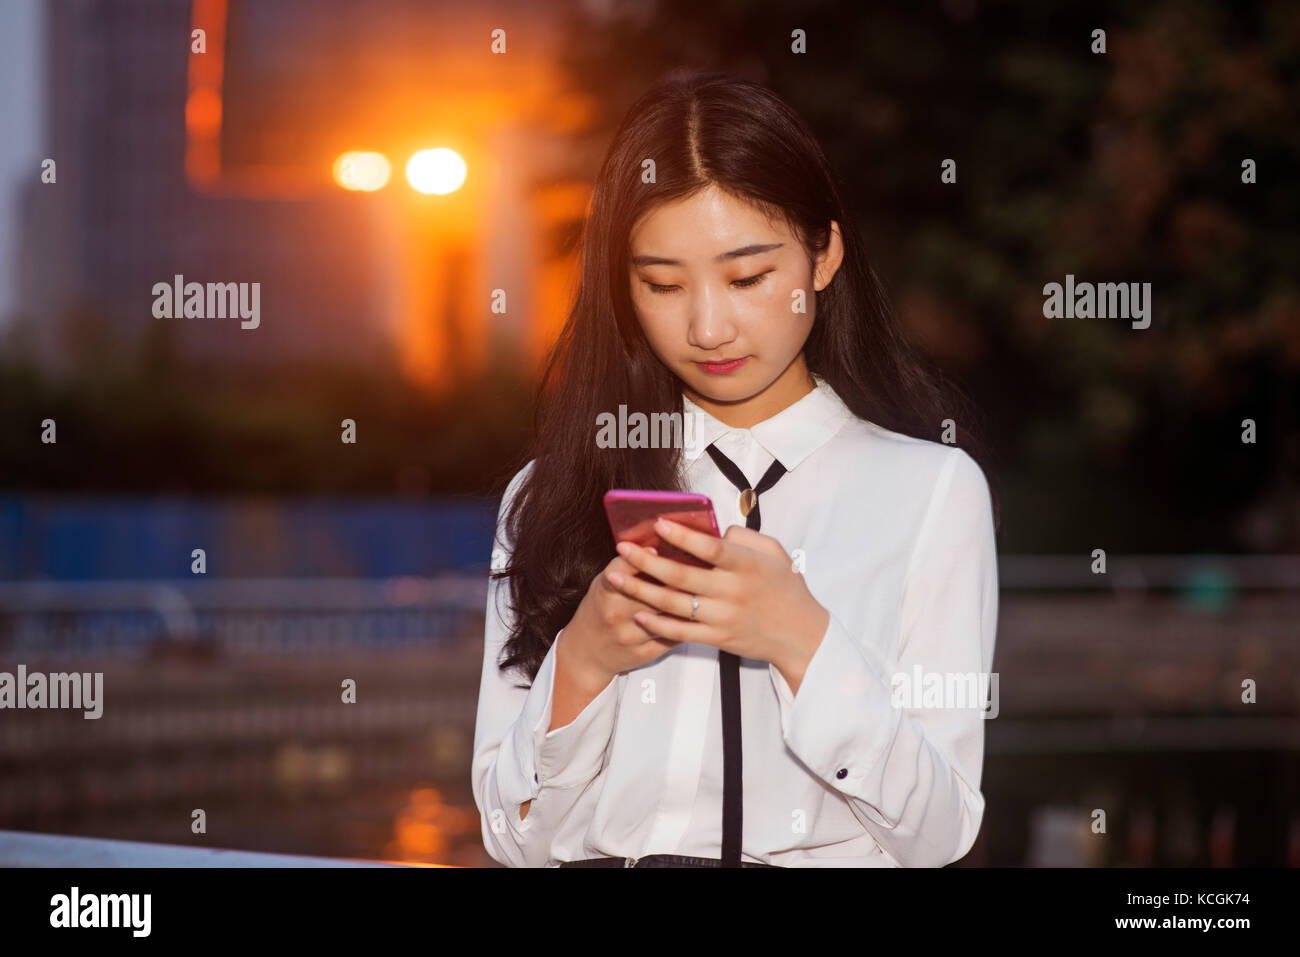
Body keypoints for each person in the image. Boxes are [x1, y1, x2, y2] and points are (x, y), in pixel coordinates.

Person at [471, 70, 1000, 867]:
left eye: (749, 277)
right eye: (662, 284)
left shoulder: (931, 491)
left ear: (825, 256)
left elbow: (940, 832)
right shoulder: (550, 493)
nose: (708, 324)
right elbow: (511, 839)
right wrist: (581, 661)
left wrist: (805, 643)